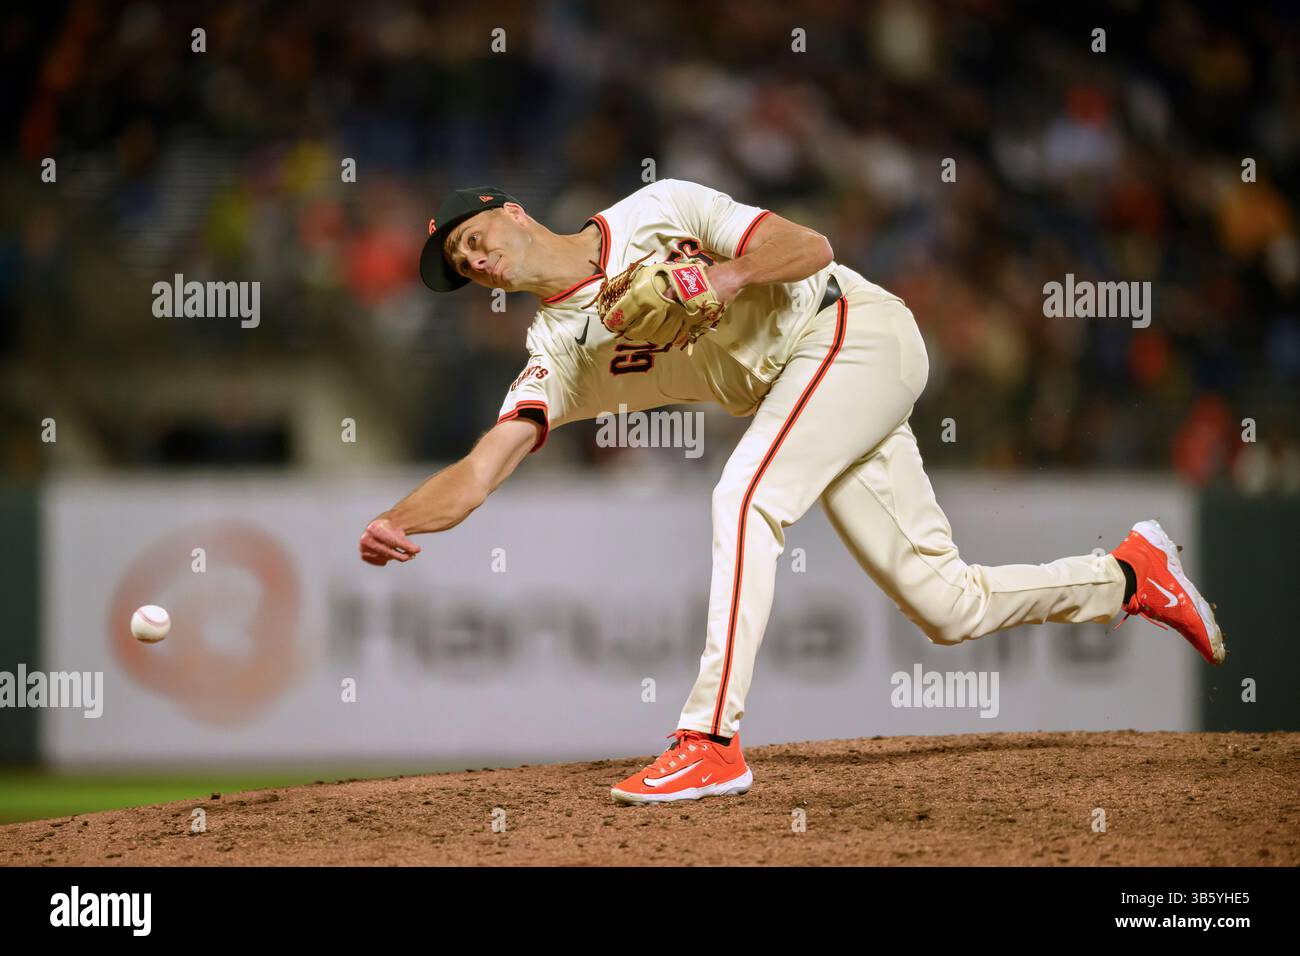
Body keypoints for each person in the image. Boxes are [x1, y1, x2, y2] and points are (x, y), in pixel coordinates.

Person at [359, 180, 1225, 804]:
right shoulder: (560, 348)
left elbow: (811, 248)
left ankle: (708, 741)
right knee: (946, 605)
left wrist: (724, 277)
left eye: (471, 237)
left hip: (849, 326)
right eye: (459, 265)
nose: (471, 260)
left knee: (742, 496)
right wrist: (399, 518)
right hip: (806, 393)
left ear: (509, 209)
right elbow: (484, 466)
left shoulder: (654, 212)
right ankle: (1131, 575)